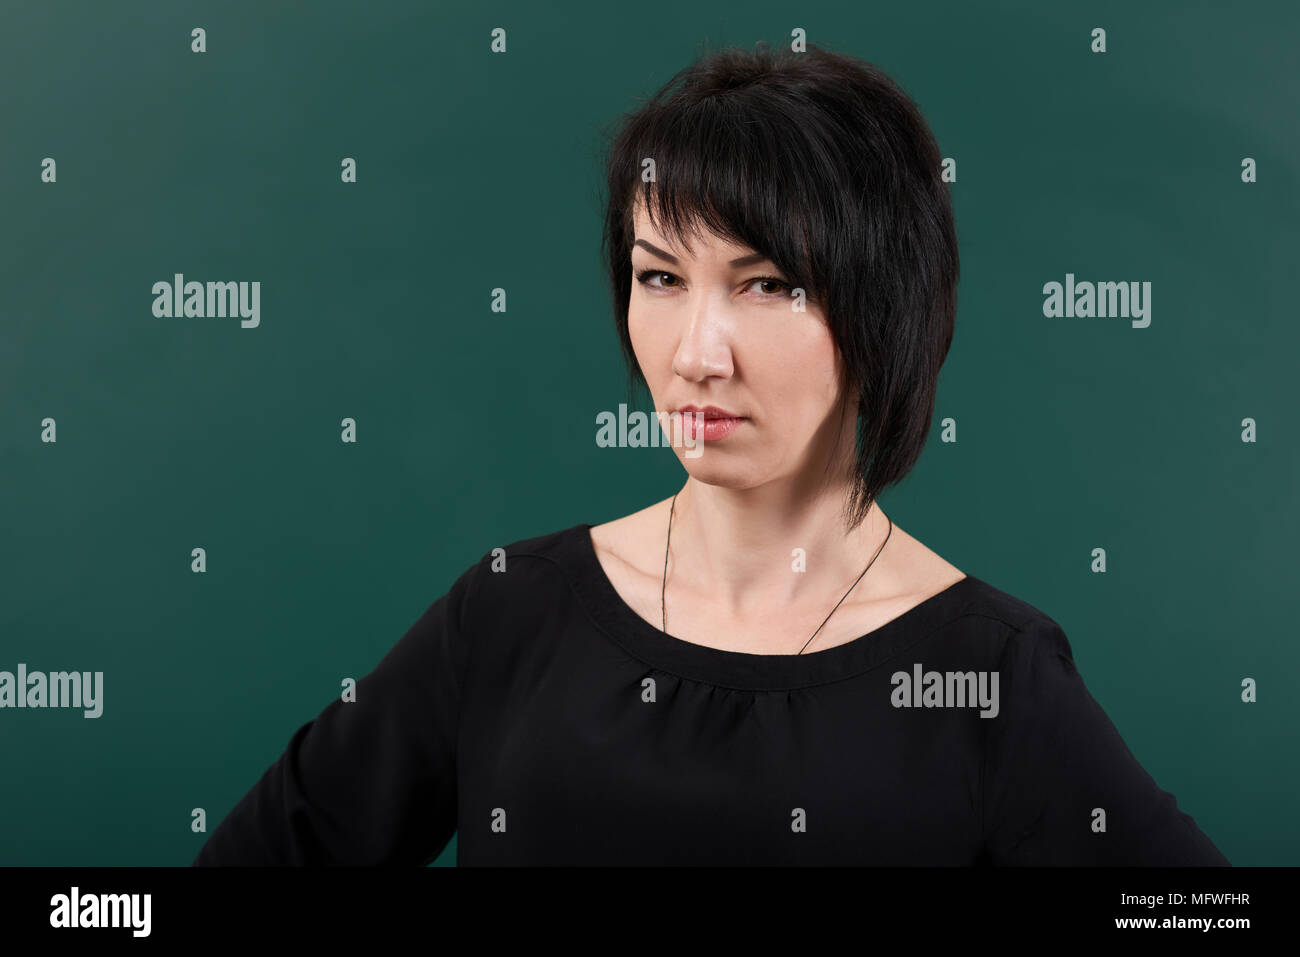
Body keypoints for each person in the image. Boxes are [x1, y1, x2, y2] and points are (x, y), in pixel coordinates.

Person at [193, 42, 1228, 866]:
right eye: (658, 278)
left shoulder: (986, 673)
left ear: (885, 307)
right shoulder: (509, 612)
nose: (696, 354)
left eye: (768, 283)